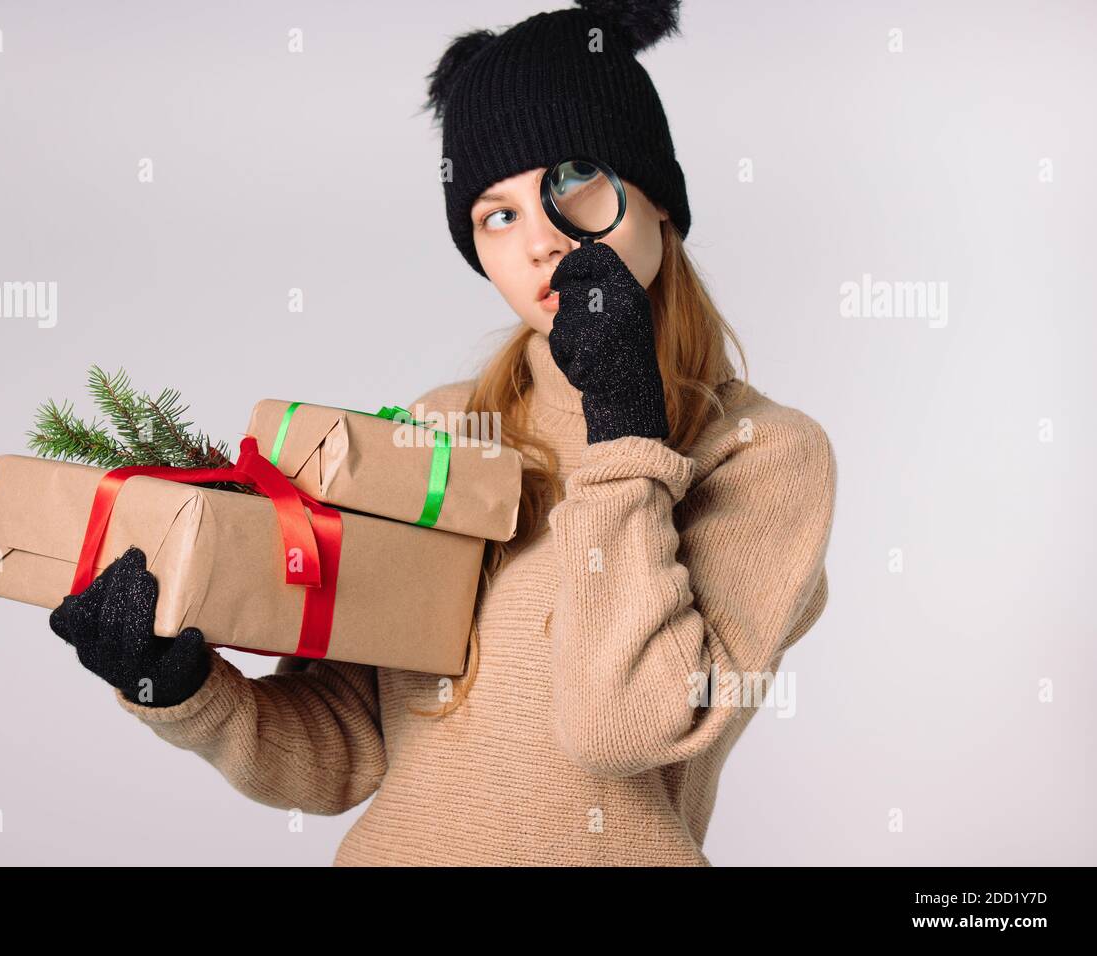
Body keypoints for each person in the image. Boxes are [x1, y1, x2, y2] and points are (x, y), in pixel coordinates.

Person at [49, 0, 838, 866]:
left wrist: (624, 429)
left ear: (657, 199)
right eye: (496, 215)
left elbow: (622, 728)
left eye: (573, 177)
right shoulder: (445, 428)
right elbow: (344, 749)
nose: (540, 240)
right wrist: (181, 686)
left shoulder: (765, 456)